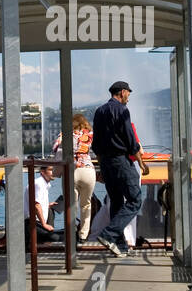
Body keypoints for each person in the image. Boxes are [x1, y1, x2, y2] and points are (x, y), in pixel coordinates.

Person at [91, 80, 141, 257]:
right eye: (128, 92)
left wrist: (102, 163)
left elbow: (95, 143)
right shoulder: (122, 110)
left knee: (116, 201)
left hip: (105, 162)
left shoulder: (99, 111)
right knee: (135, 200)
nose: (129, 96)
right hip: (121, 161)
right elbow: (130, 139)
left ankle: (119, 245)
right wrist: (139, 158)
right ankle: (109, 234)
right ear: (122, 92)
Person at [53, 112, 96, 242]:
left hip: (71, 170)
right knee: (86, 204)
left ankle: (71, 233)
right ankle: (83, 235)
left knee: (71, 204)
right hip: (88, 170)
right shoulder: (90, 134)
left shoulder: (65, 133)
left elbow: (55, 147)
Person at [24, 163, 58, 242]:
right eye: (50, 170)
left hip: (37, 222)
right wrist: (44, 225)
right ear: (42, 172)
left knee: (57, 236)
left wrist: (47, 205)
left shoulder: (45, 184)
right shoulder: (39, 184)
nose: (53, 172)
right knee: (57, 239)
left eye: (54, 170)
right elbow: (36, 205)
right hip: (32, 223)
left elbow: (38, 203)